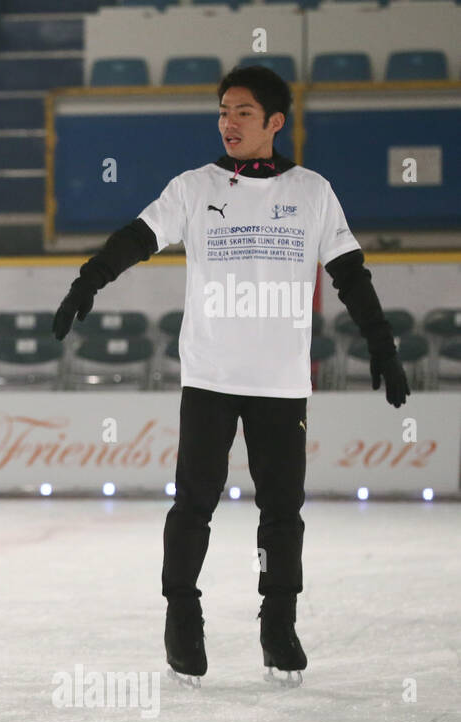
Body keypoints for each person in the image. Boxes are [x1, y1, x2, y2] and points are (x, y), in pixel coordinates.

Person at [52, 66, 411, 687]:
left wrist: (383, 345)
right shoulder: (194, 187)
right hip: (211, 375)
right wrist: (89, 279)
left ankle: (279, 624)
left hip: (279, 382)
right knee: (193, 503)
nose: (229, 122)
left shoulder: (313, 192)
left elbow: (351, 274)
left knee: (282, 511)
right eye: (223, 110)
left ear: (275, 122)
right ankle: (182, 620)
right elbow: (137, 238)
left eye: (244, 112)